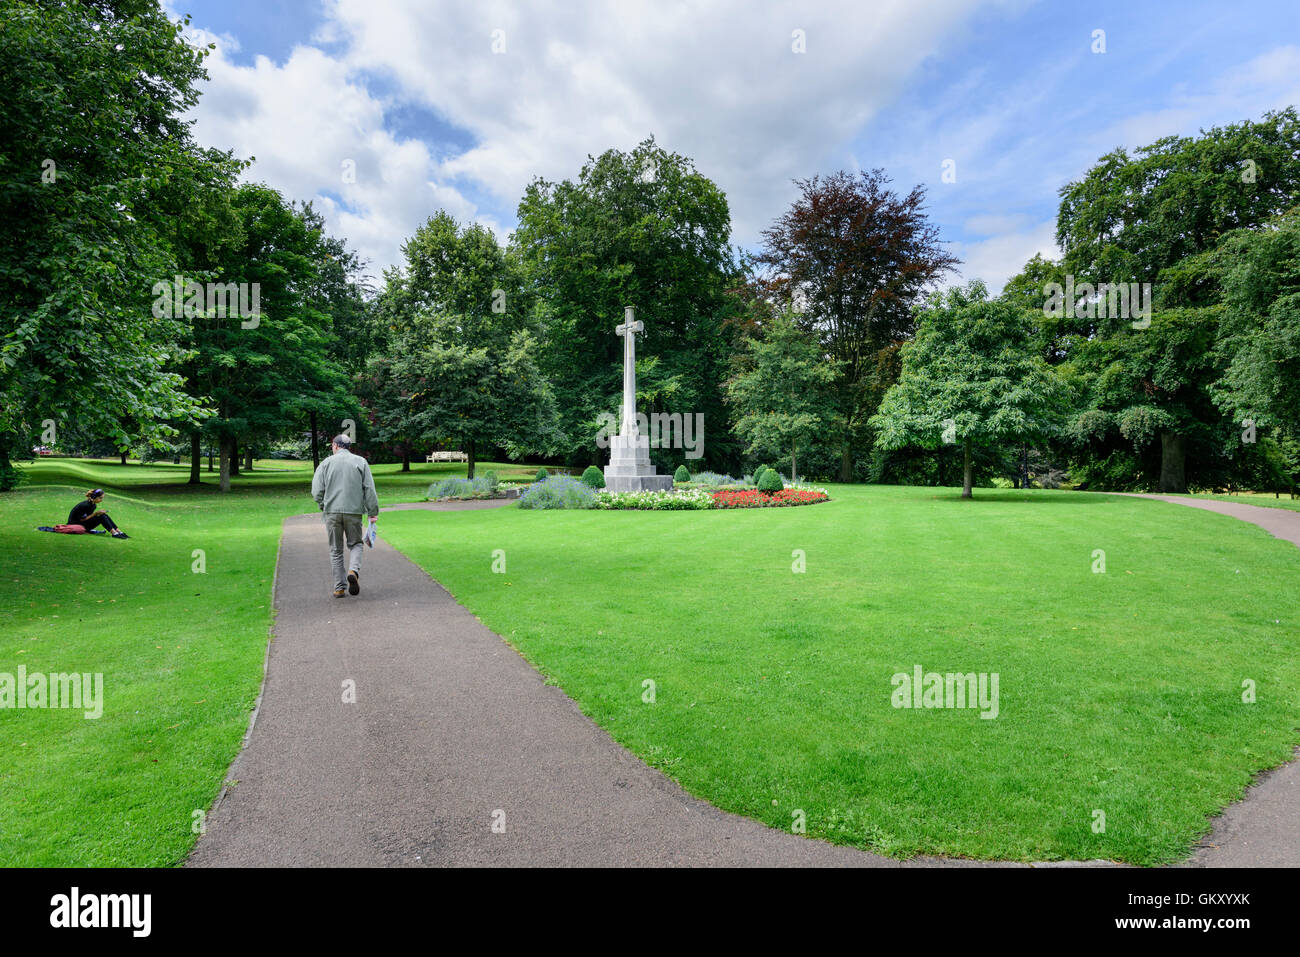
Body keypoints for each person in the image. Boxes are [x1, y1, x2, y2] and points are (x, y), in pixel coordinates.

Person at [311, 434, 379, 598]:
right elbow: (369, 489)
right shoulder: (360, 462)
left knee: (336, 550)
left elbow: (316, 491)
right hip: (354, 511)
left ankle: (339, 587)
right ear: (348, 446)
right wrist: (372, 512)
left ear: (335, 445)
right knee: (356, 544)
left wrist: (323, 505)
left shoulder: (326, 463)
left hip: (332, 512)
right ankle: (353, 571)